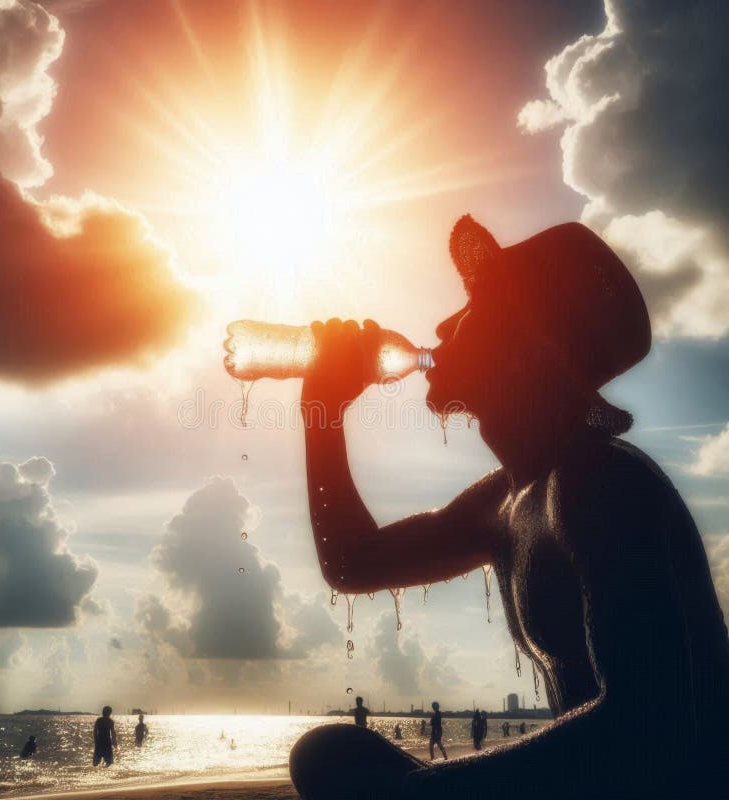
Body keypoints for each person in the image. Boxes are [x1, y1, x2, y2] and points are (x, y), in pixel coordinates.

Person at [288, 216, 729, 800]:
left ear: (526, 343)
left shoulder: (603, 484)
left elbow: (650, 727)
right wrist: (322, 412)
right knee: (328, 754)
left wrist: (422, 789)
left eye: (474, 307)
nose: (444, 324)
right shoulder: (500, 501)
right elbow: (352, 563)